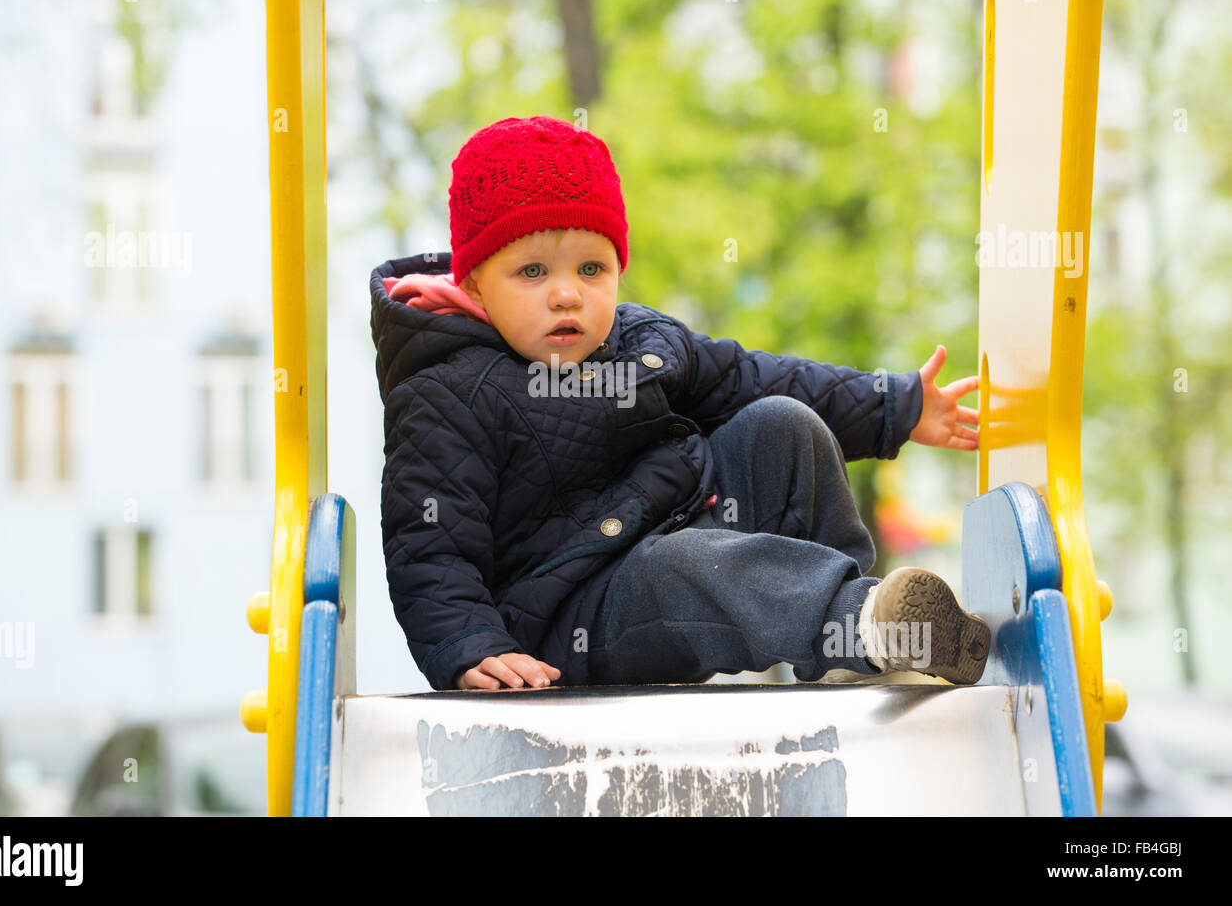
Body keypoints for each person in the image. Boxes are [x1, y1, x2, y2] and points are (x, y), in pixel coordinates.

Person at [370, 115, 990, 693]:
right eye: (532, 272)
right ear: (475, 279)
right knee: (681, 564)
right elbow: (430, 547)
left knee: (783, 423)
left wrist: (896, 407)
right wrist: (469, 646)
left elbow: (758, 377)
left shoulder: (644, 343)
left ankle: (857, 627)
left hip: (684, 531)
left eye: (592, 269)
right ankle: (858, 623)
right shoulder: (447, 390)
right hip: (572, 624)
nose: (567, 295)